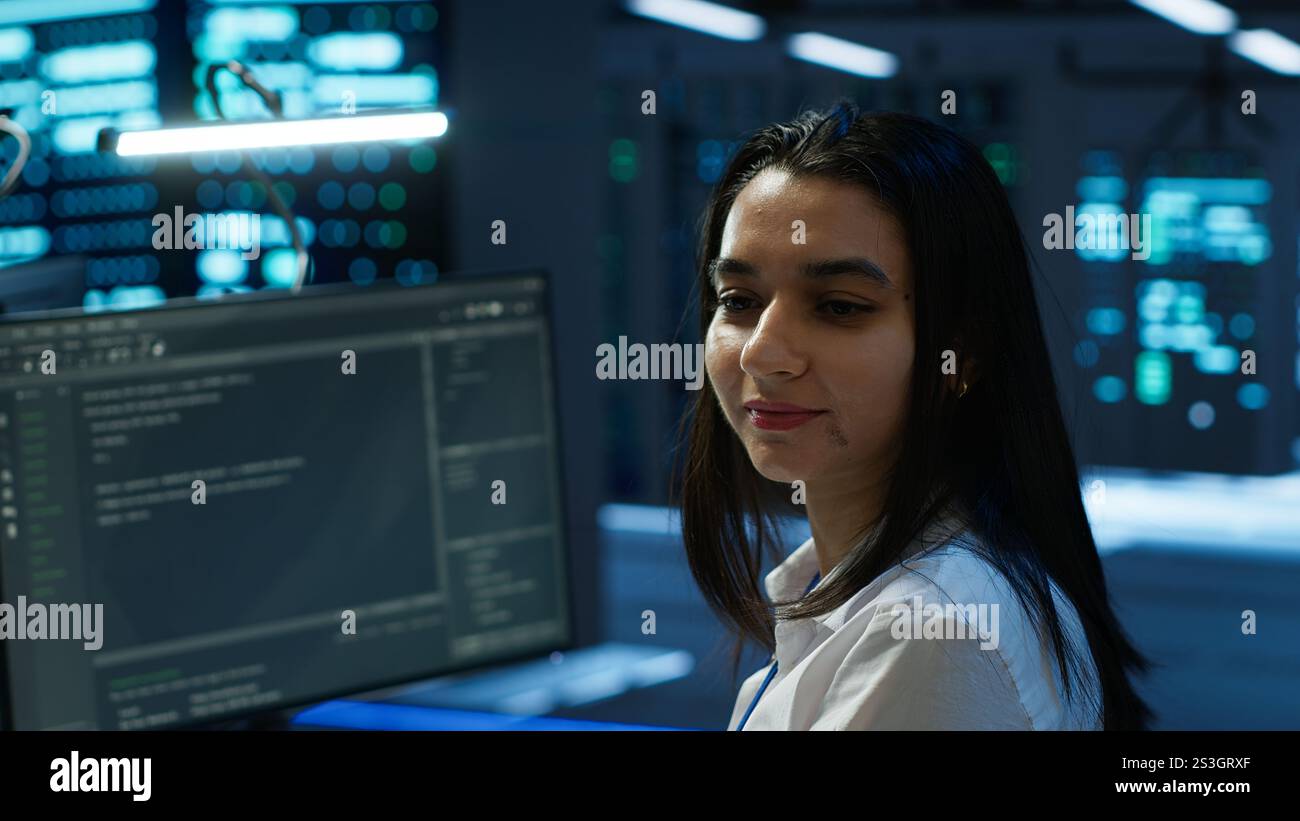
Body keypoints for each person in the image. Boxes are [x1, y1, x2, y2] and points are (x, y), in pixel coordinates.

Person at [672, 101, 1152, 730]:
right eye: (739, 300)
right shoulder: (855, 587)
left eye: (839, 307)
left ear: (965, 353)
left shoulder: (932, 632)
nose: (763, 351)